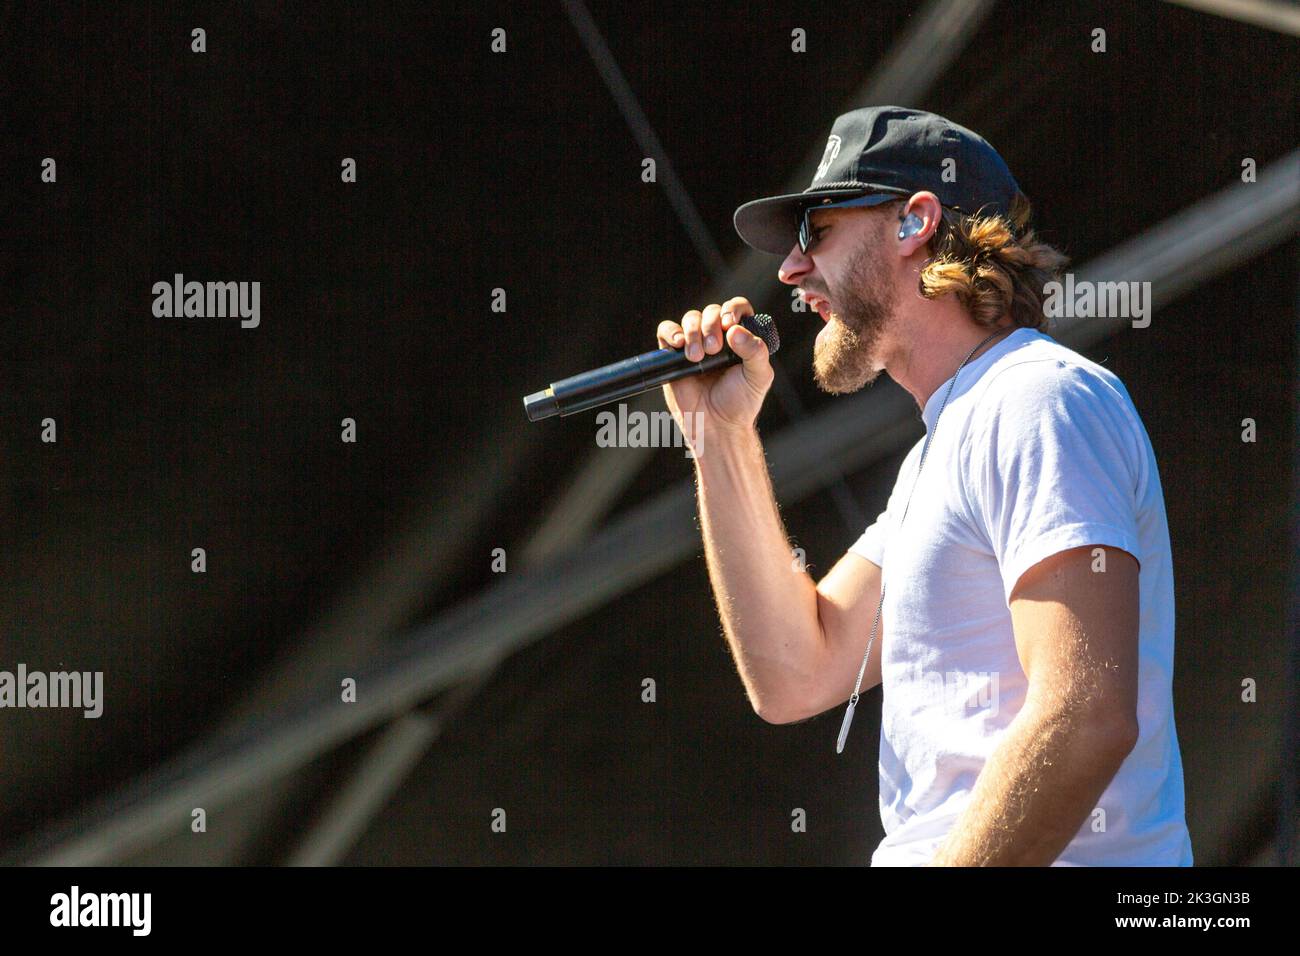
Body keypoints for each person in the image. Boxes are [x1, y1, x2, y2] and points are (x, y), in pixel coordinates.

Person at [657, 106, 1193, 866]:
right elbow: (793, 672)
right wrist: (719, 436)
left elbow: (1085, 712)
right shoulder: (942, 451)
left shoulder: (1036, 396)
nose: (790, 270)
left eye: (818, 232)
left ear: (915, 222)